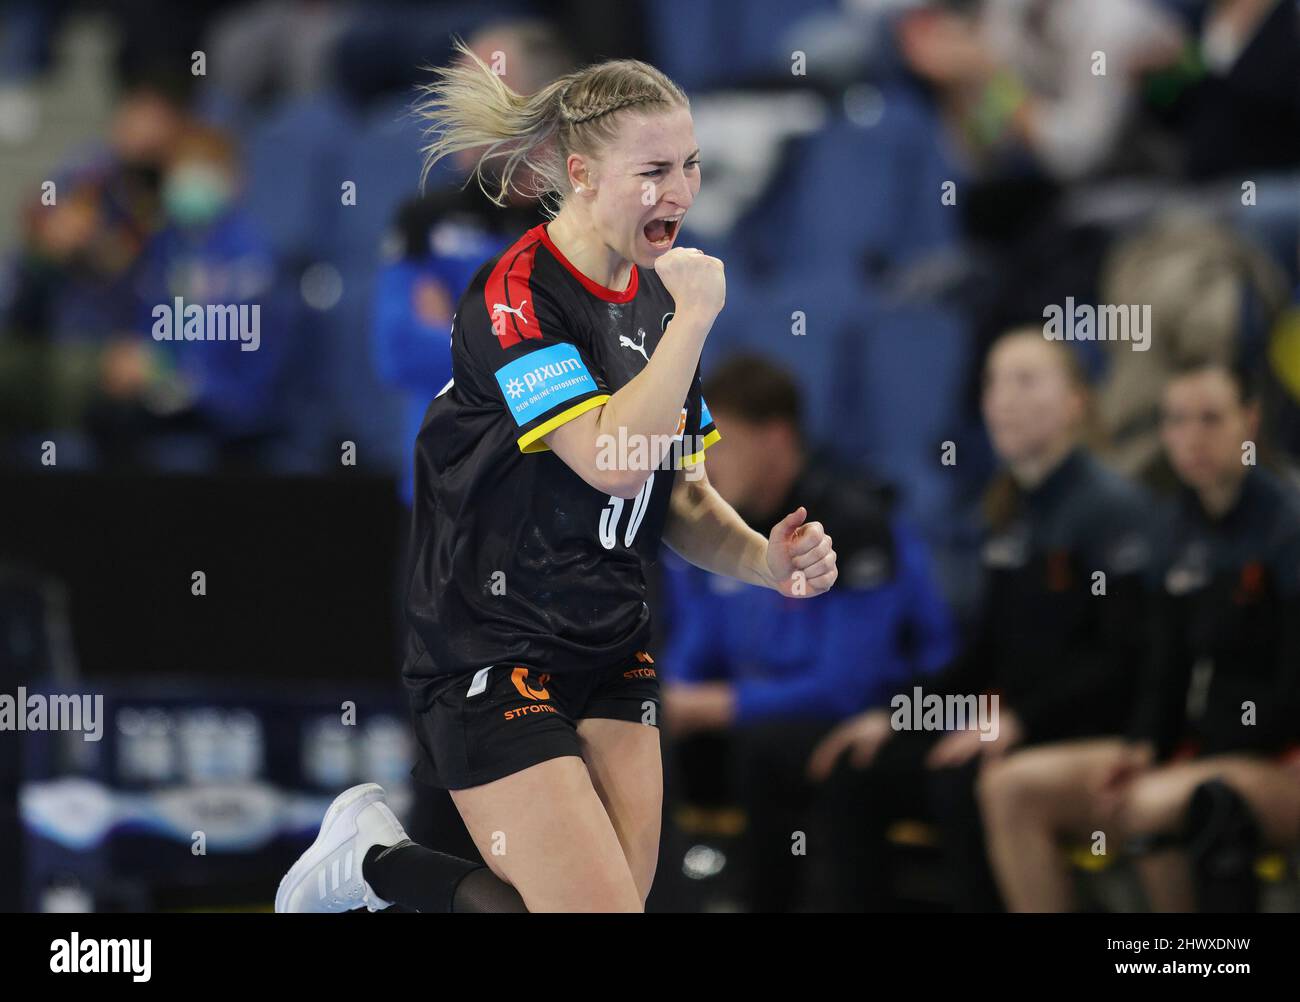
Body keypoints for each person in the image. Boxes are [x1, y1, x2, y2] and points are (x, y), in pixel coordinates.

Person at [276, 41, 839, 914]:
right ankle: (375, 865)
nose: (680, 192)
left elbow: (675, 489)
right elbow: (612, 462)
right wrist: (694, 319)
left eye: (690, 165)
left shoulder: (659, 299)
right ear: (581, 173)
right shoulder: (516, 293)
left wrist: (764, 559)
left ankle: (375, 865)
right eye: (652, 169)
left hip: (613, 638)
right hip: (490, 638)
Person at [805, 328, 1153, 911]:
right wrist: (897, 717)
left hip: (1080, 729)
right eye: (993, 382)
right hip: (1004, 722)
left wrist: (1017, 722)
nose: (1003, 399)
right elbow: (983, 655)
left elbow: (1123, 662)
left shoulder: (1111, 508)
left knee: (958, 783)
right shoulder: (1011, 507)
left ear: (1076, 402)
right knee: (856, 767)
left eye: (1026, 380)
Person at [979, 358, 1300, 912]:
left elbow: (1291, 689)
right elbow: (1163, 666)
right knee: (1010, 788)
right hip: (1190, 751)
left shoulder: (1285, 527)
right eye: (1175, 421)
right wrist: (1145, 745)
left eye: (1210, 419)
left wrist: (1194, 753)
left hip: (1276, 758)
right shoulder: (1170, 528)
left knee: (1149, 803)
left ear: (1249, 421)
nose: (1191, 437)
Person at [660, 354, 956, 912]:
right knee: (640, 732)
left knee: (763, 750)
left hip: (883, 716)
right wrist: (667, 700)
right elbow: (690, 657)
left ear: (775, 437)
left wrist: (716, 705)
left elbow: (846, 686)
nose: (702, 465)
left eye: (716, 443)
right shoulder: (722, 530)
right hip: (764, 717)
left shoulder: (851, 526)